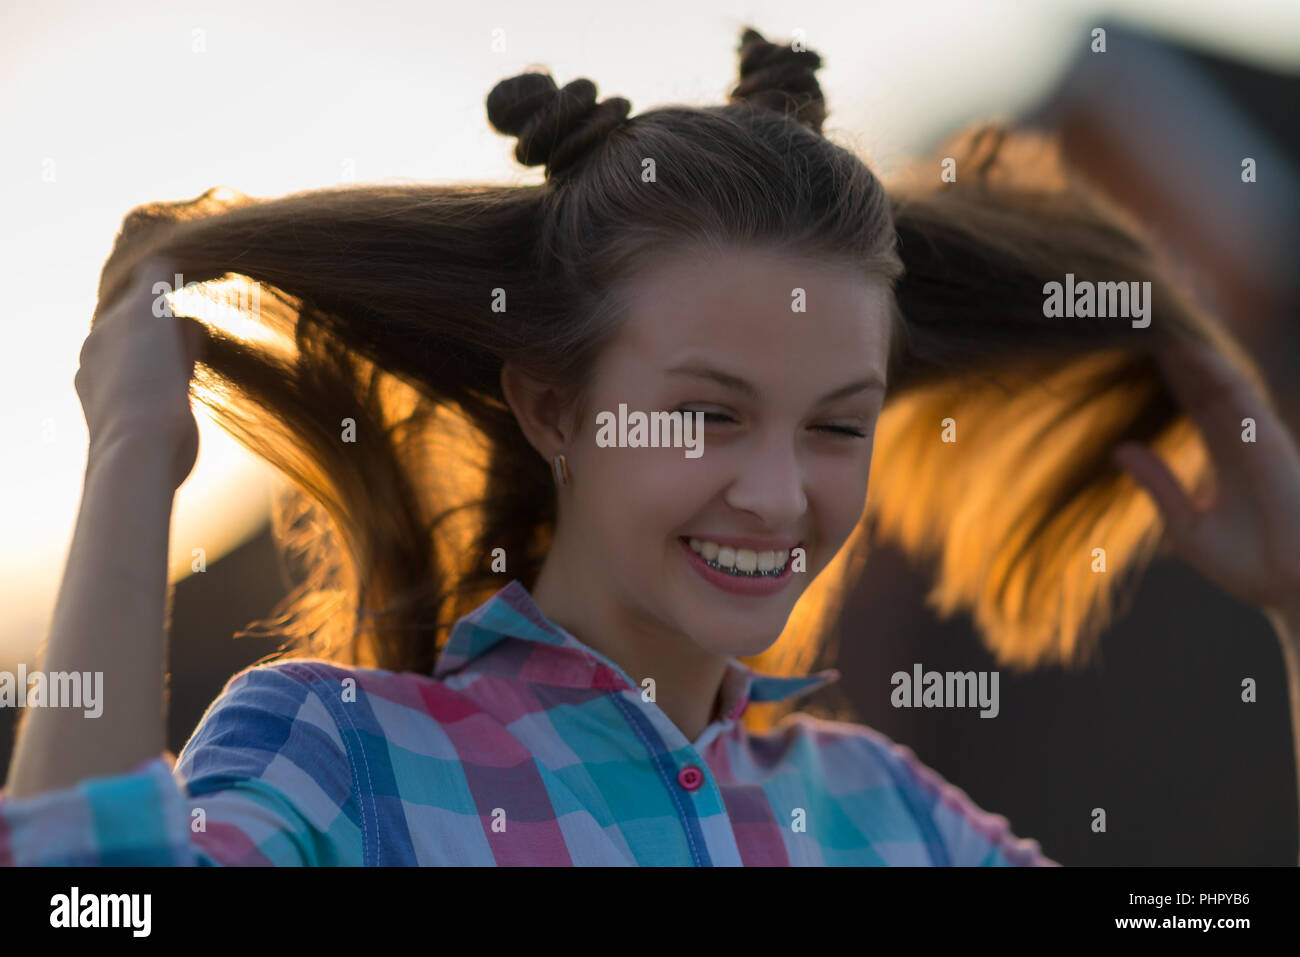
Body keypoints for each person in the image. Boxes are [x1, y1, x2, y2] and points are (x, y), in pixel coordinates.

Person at [3, 26, 1298, 866]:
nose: (781, 494)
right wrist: (133, 453)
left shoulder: (884, 816)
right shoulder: (344, 755)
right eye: (706, 413)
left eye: (839, 424)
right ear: (554, 407)